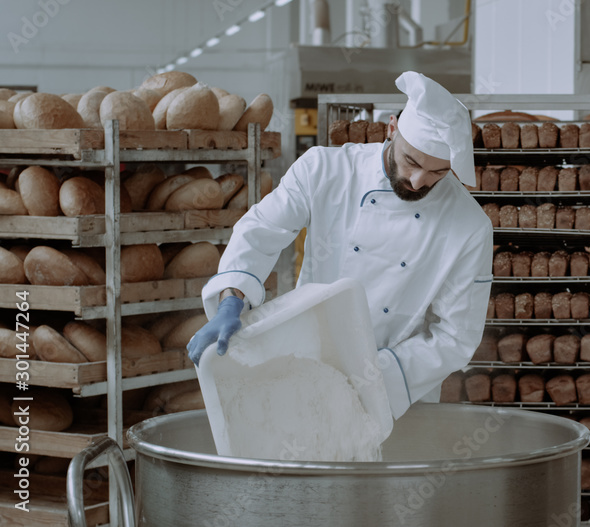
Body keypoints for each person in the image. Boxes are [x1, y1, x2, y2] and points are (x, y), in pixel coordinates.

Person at [186, 71, 494, 419]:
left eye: (438, 173)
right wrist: (231, 297)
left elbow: (455, 336)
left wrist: (374, 379)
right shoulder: (326, 169)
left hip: (398, 392)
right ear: (391, 129)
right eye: (411, 161)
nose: (418, 181)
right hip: (309, 365)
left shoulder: (470, 226)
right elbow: (263, 228)